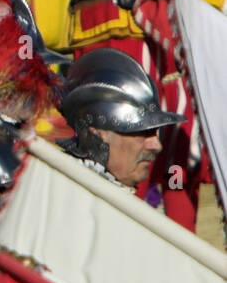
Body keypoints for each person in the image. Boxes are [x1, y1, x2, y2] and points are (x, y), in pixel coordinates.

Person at [58, 50, 184, 191]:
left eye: (155, 132)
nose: (157, 146)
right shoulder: (60, 194)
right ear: (98, 133)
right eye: (143, 132)